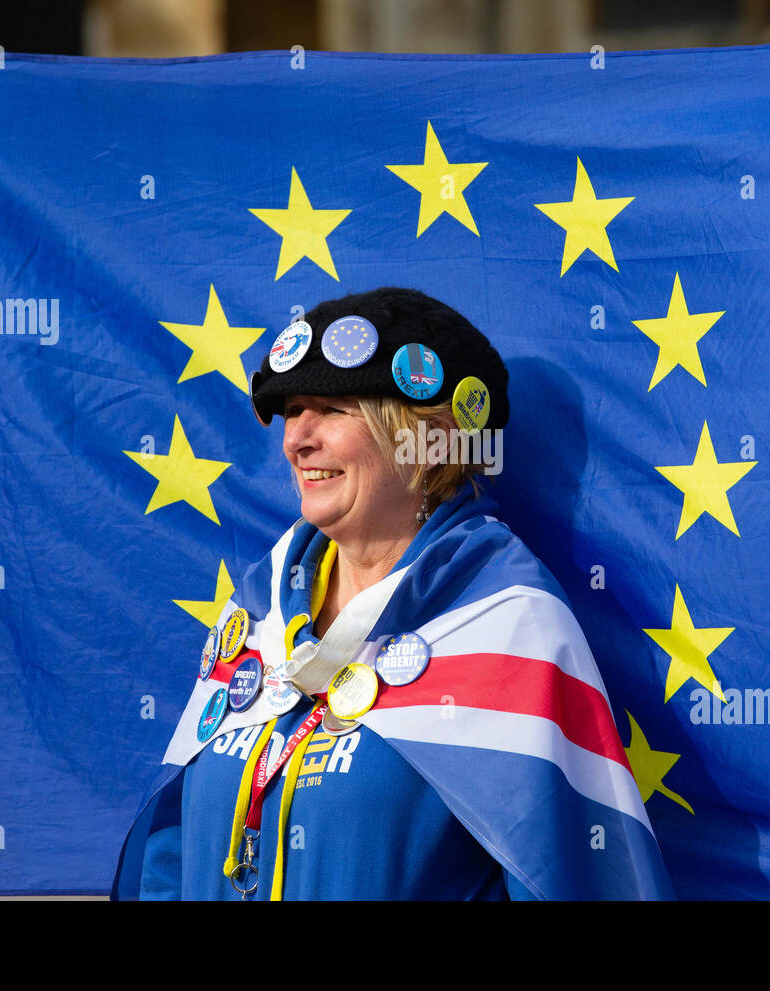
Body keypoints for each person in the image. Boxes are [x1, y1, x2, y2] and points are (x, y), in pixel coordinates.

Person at [114, 287, 672, 900]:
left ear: (424, 440)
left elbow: (573, 881)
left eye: (329, 409)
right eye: (292, 410)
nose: (297, 438)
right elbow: (171, 854)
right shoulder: (257, 612)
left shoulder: (510, 622)